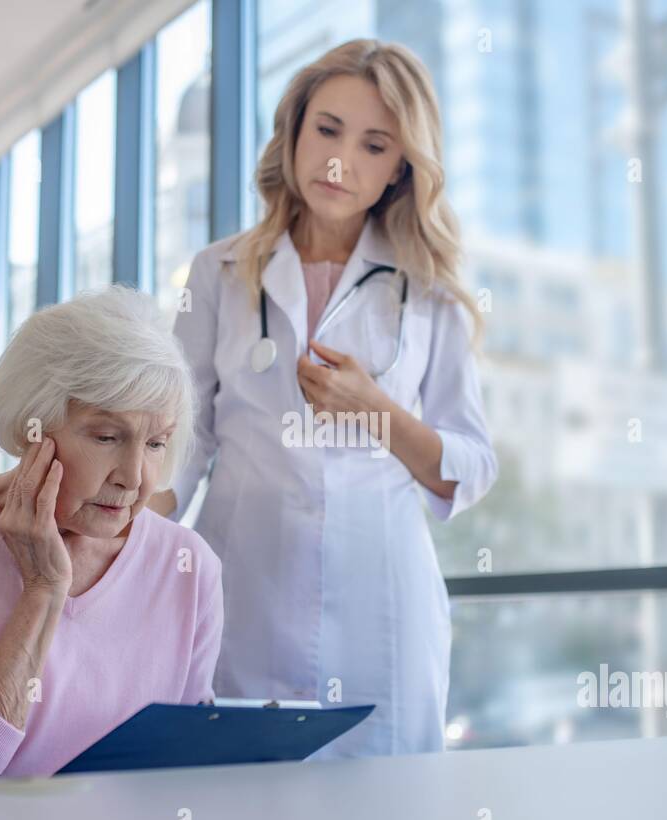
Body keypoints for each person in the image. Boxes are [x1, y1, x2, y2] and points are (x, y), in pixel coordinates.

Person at [154, 39, 496, 757]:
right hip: (245, 588)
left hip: (381, 605)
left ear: (400, 168)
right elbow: (180, 441)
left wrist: (375, 409)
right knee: (243, 816)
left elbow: (469, 465)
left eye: (374, 144)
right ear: (295, 131)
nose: (341, 161)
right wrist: (115, 548)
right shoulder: (218, 271)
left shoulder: (429, 289)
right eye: (327, 130)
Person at [0, 286, 222, 784]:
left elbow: (181, 782)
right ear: (32, 428)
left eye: (156, 443)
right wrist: (43, 593)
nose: (133, 477)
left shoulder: (189, 565)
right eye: (107, 437)